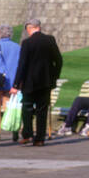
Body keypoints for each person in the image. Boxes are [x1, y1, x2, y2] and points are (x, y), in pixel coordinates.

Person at [12, 17, 62, 147]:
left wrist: (16, 84)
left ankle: (28, 134)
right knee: (42, 110)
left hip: (30, 82)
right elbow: (58, 61)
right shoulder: (50, 40)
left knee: (27, 108)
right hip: (46, 82)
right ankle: (40, 138)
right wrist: (53, 77)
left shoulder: (27, 43)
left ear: (30, 28)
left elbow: (22, 65)